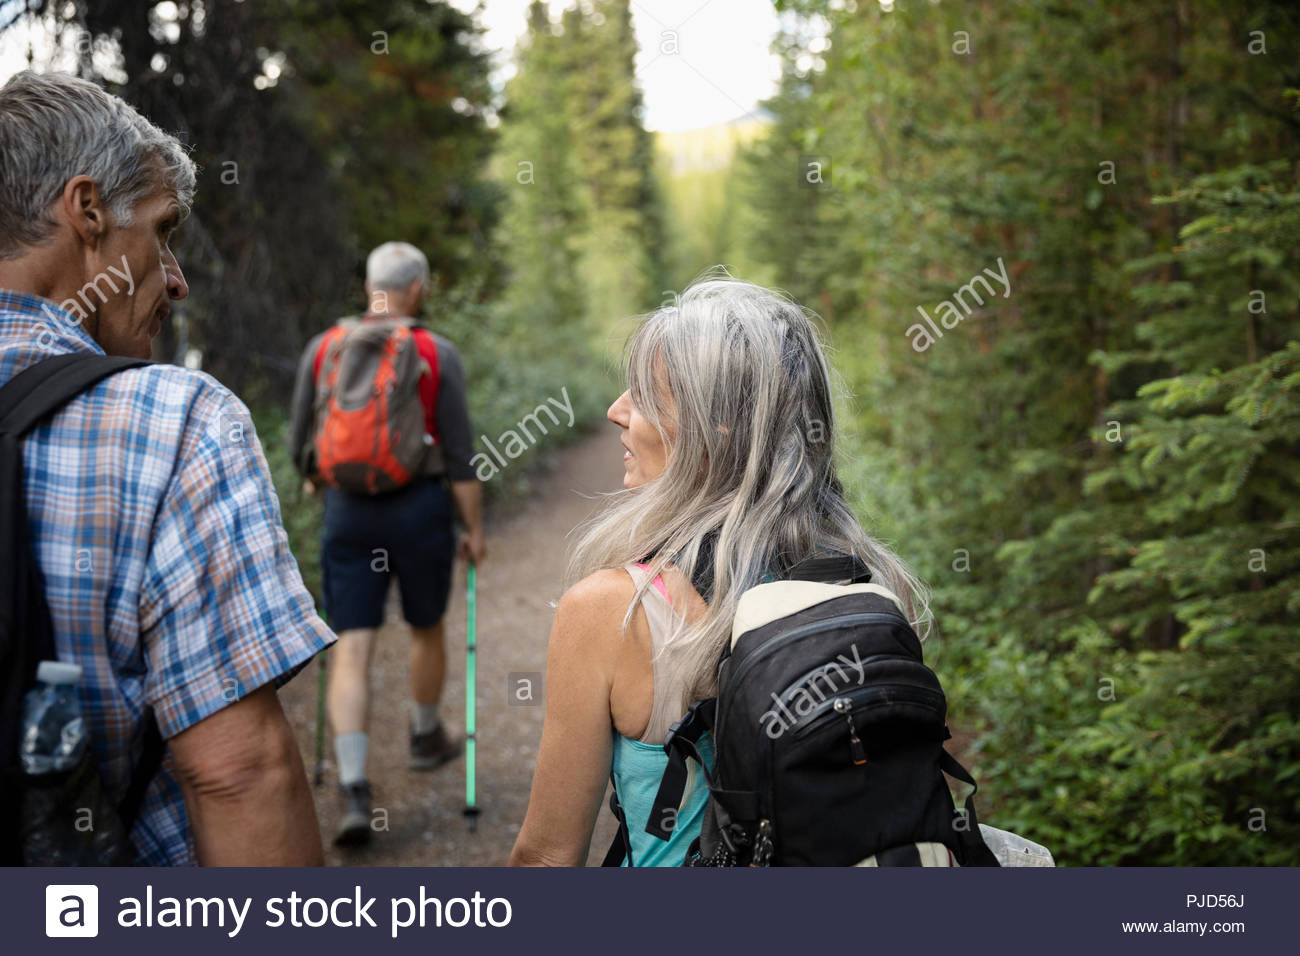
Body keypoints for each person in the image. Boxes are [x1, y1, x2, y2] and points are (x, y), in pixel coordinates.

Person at [0, 70, 333, 865]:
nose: (176, 279)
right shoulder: (173, 424)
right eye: (162, 229)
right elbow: (237, 775)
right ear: (87, 211)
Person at [508, 273, 930, 866]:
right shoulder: (878, 590)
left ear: (716, 430)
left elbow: (548, 856)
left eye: (645, 397)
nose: (616, 411)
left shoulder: (611, 611)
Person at [289, 241, 485, 847]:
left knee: (351, 646)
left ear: (370, 286)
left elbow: (303, 449)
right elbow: (459, 455)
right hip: (418, 509)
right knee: (426, 626)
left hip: (348, 512)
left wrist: (326, 483)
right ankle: (425, 737)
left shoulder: (325, 348)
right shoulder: (433, 351)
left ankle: (352, 786)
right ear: (418, 288)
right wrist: (474, 529)